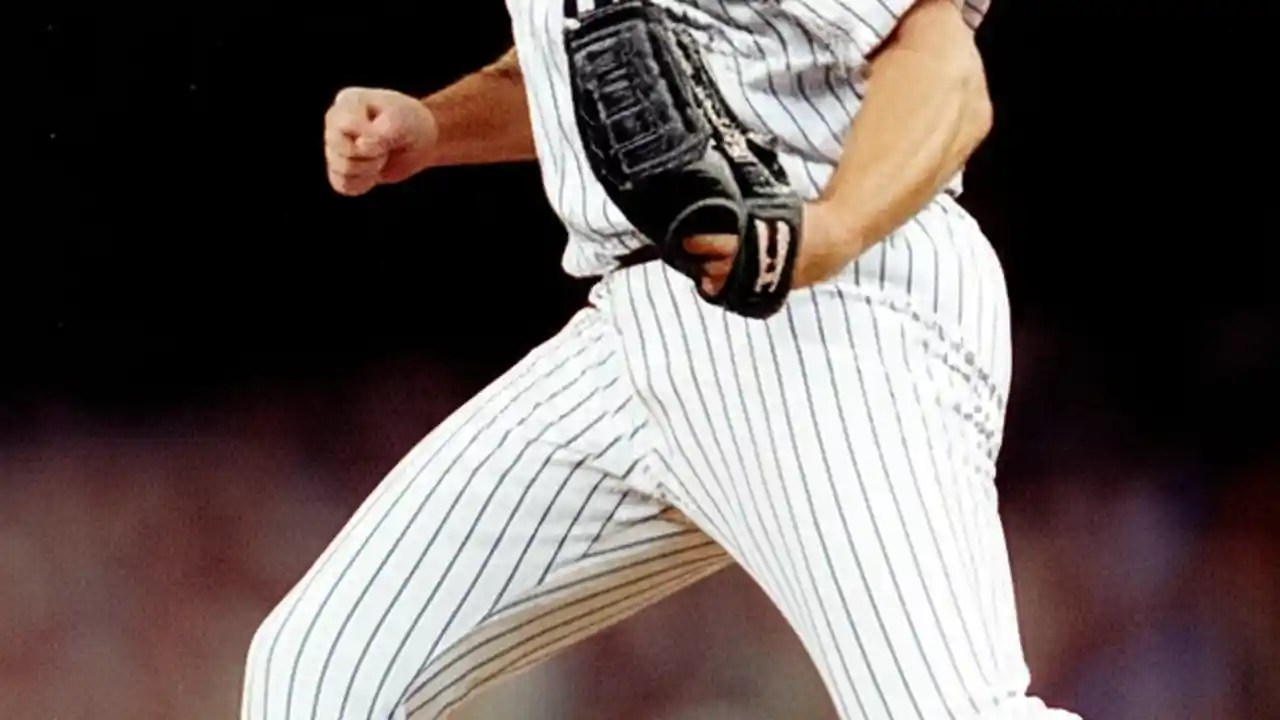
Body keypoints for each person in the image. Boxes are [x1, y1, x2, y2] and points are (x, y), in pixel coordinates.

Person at [241, 0, 1081, 717]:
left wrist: (836, 228)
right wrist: (434, 127)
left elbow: (941, 61)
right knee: (317, 675)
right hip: (631, 330)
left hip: (831, 307)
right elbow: (622, 78)